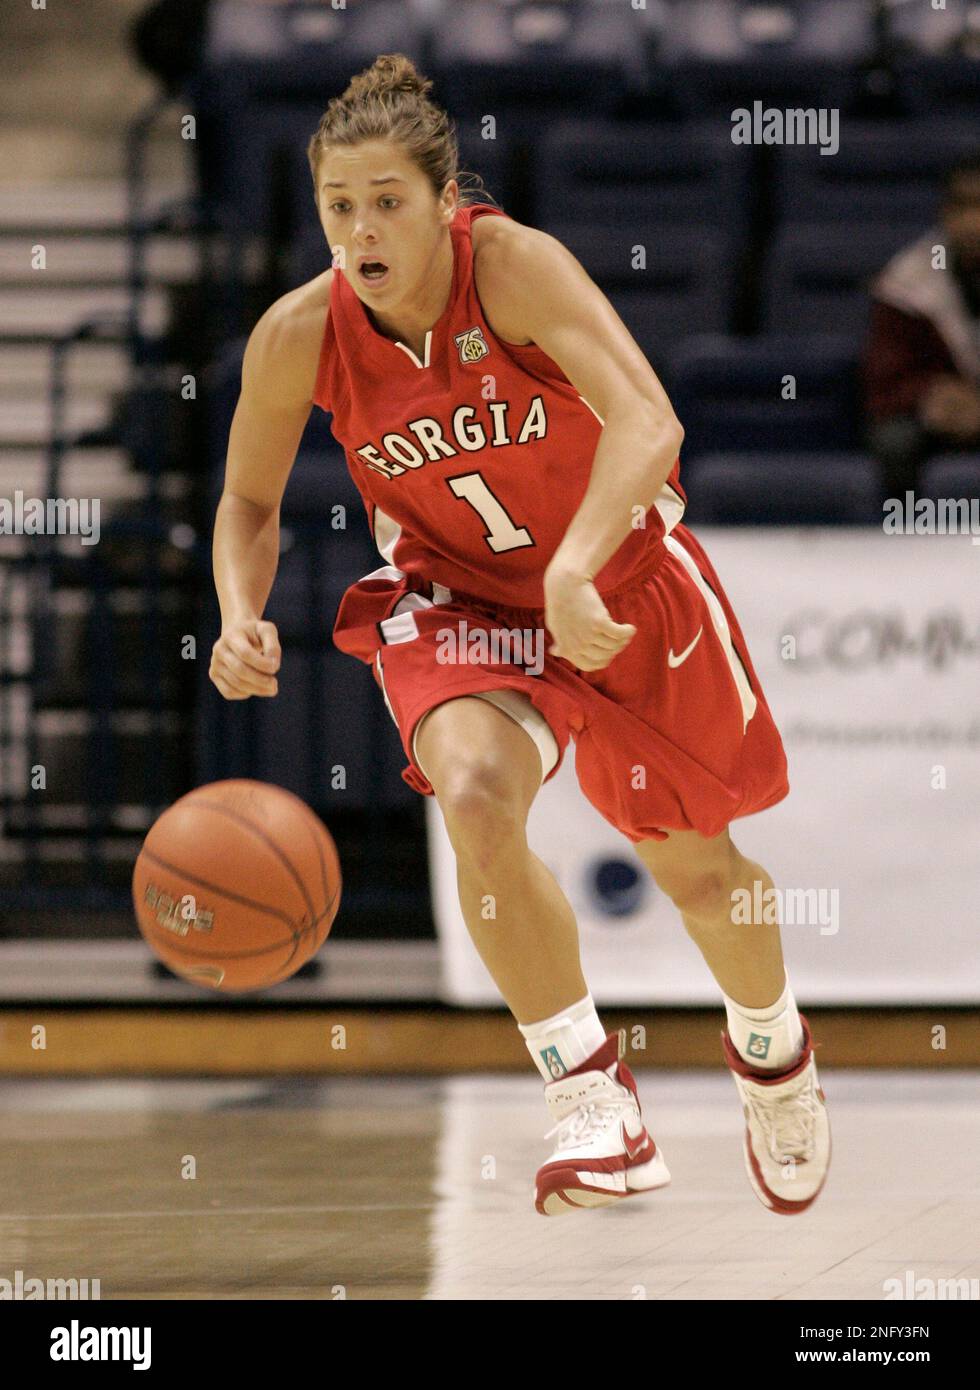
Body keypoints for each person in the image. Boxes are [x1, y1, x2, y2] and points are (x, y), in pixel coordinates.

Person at [210, 53, 830, 1217]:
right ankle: (587, 1090)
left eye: (387, 199)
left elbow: (647, 418)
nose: (360, 227)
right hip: (457, 601)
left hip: (619, 580)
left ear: (444, 202)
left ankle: (771, 1049)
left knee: (698, 870)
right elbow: (246, 502)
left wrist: (577, 566)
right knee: (477, 800)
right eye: (338, 205)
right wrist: (239, 615)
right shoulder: (300, 333)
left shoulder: (514, 266)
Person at [863, 153, 980, 497]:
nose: (974, 222)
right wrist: (929, 396)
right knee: (893, 439)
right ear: (945, 213)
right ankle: (904, 539)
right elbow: (884, 383)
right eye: (963, 206)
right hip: (942, 425)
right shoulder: (909, 280)